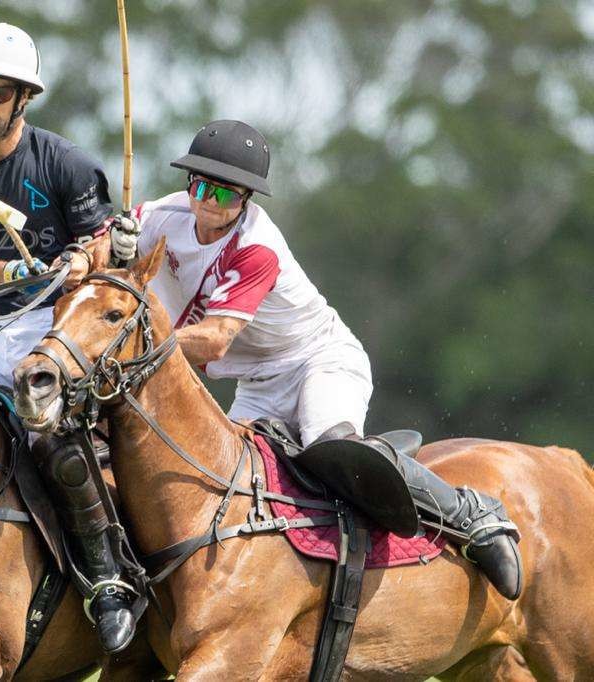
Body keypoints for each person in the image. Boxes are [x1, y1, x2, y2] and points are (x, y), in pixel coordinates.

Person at [108, 119, 522, 600]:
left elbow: (216, 339)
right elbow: (105, 247)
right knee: (221, 479)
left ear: (245, 199)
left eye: (222, 194)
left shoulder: (254, 248)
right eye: (198, 184)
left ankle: (471, 515)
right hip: (259, 380)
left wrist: (134, 340)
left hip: (318, 359)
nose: (206, 200)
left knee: (331, 446)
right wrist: (113, 246)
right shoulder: (161, 214)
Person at [0, 23, 136, 651]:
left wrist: (86, 259)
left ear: (22, 98)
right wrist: (13, 268)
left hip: (56, 327)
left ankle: (107, 581)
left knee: (58, 445)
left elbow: (98, 249)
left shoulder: (64, 163)